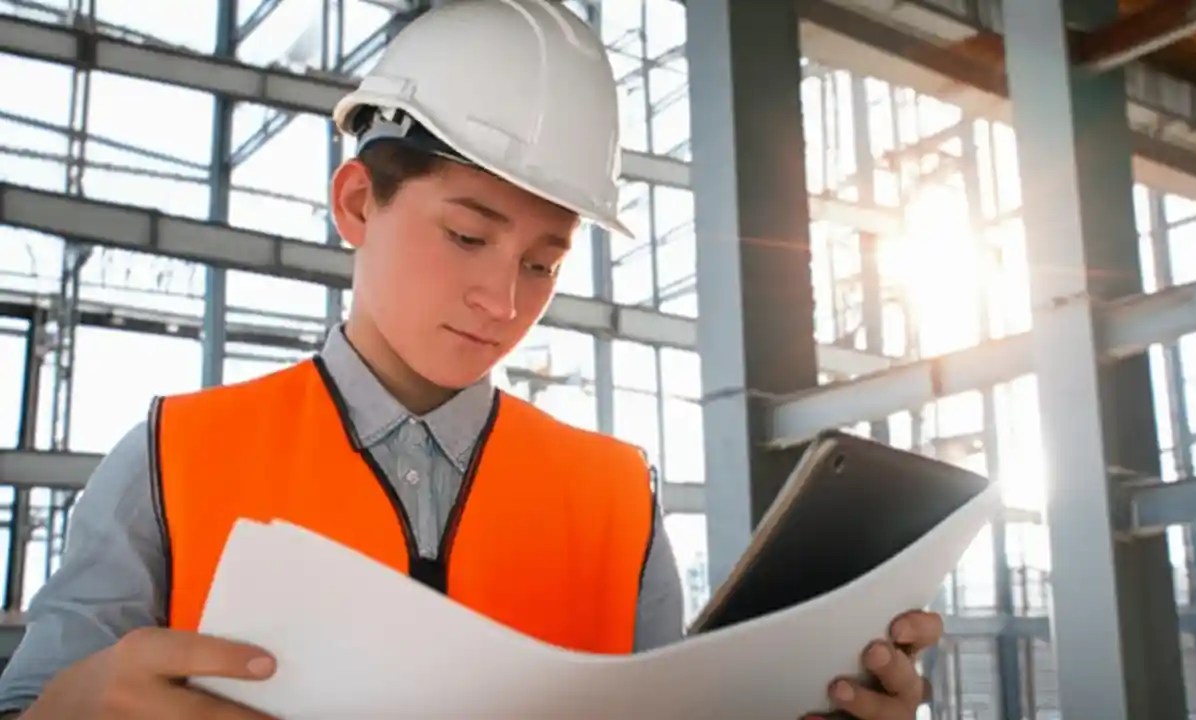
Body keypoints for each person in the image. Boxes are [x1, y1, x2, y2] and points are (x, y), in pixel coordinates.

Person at [0, 1, 941, 718]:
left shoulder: (616, 496)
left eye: (542, 262)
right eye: (465, 236)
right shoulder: (173, 456)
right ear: (358, 202)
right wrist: (69, 708)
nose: (505, 300)